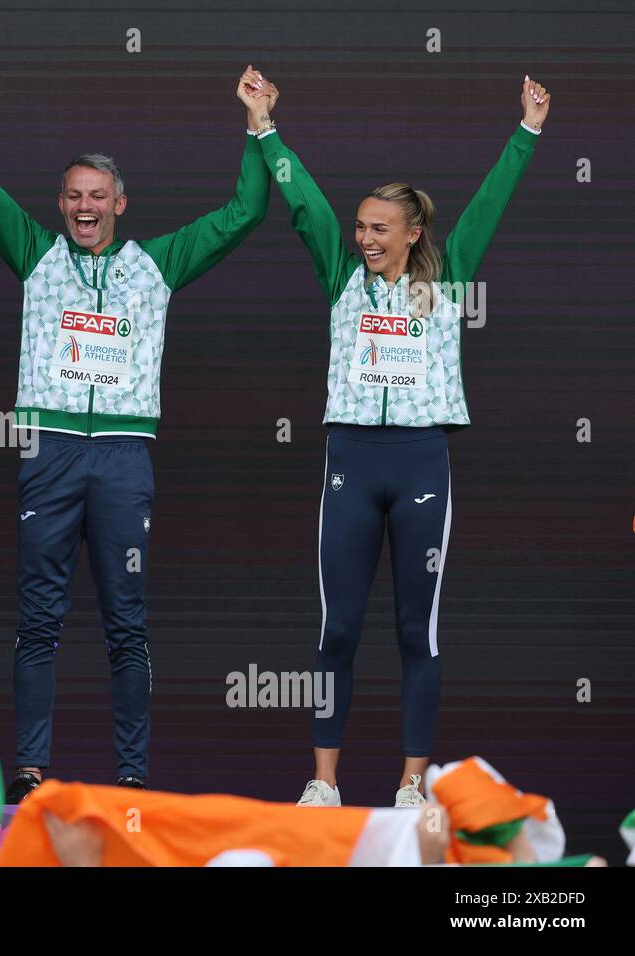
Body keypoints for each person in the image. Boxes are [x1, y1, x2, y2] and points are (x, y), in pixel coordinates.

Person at [0, 37, 273, 801]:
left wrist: (258, 127)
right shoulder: (34, 254)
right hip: (51, 452)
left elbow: (246, 211)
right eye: (73, 197)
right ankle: (29, 770)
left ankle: (131, 775)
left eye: (98, 196)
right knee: (38, 623)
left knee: (126, 624)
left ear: (119, 204)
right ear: (59, 205)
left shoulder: (156, 264)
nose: (85, 207)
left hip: (124, 458)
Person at [247, 72, 552, 807]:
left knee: (420, 631)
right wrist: (263, 125)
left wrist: (528, 131)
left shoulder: (447, 279)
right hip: (351, 459)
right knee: (339, 627)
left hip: (422, 461)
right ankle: (323, 784)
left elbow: (488, 204)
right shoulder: (340, 273)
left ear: (414, 233)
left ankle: (413, 786)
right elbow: (303, 199)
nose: (364, 238)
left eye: (380, 229)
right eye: (360, 228)